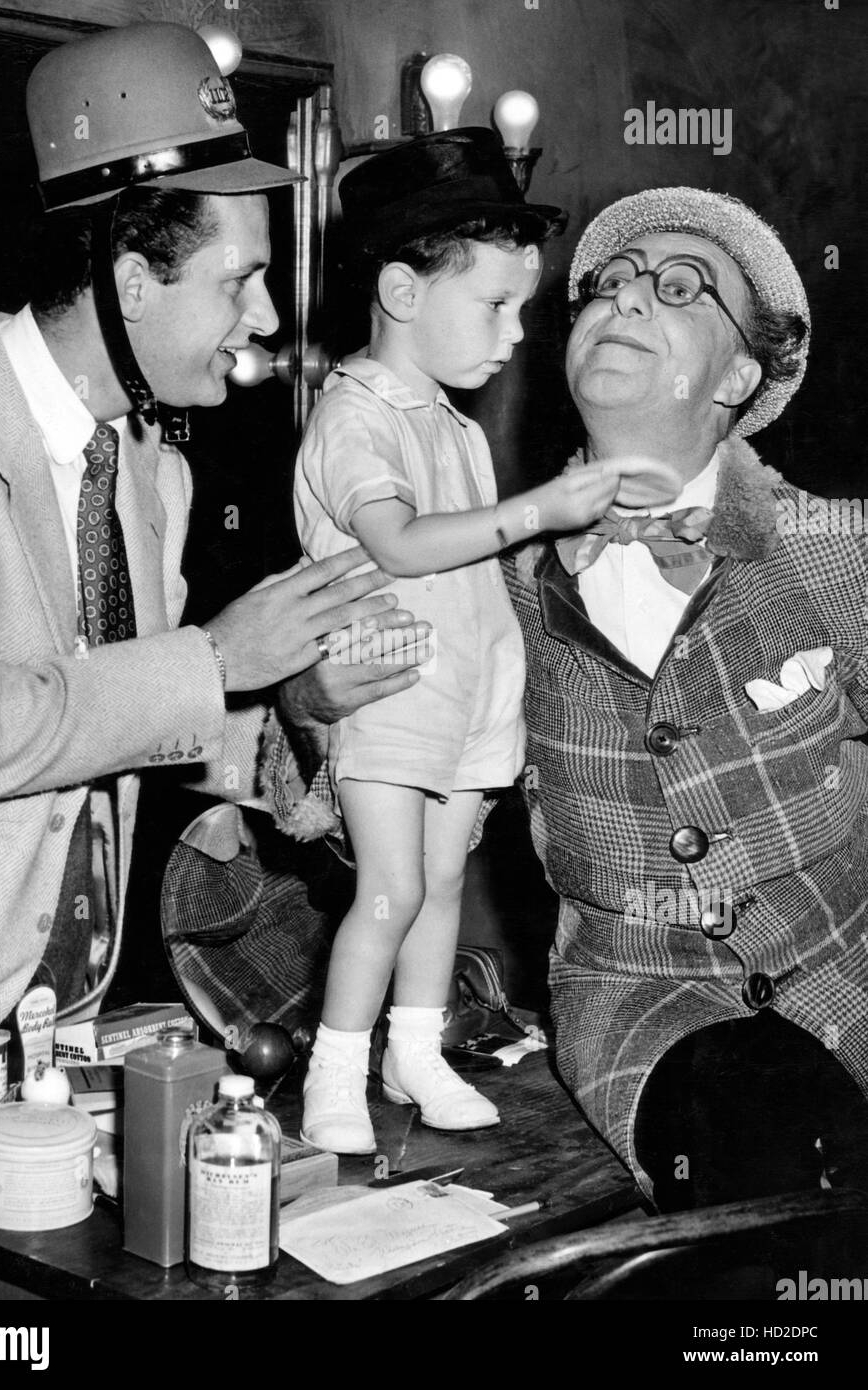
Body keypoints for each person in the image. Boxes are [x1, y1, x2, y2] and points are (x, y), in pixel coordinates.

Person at [0, 22, 424, 1154]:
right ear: (132, 281)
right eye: (240, 279)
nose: (269, 320)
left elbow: (140, 727)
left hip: (50, 1061)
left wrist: (296, 707)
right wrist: (220, 660)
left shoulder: (151, 472)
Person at [292, 132, 679, 1155]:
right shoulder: (353, 418)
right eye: (494, 306)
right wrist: (540, 507)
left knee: (442, 883)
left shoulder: (456, 429)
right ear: (402, 292)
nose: (516, 334)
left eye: (521, 308)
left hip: (471, 693)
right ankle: (334, 1067)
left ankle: (411, 1049)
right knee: (390, 886)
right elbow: (401, 543)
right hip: (391, 688)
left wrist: (577, 532)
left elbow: (479, 568)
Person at [505, 185, 868, 1208]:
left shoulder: (830, 551)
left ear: (740, 374)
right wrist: (320, 701)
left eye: (675, 289)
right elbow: (376, 813)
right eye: (606, 286)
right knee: (763, 1200)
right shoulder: (493, 581)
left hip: (847, 971)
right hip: (648, 1011)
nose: (622, 301)